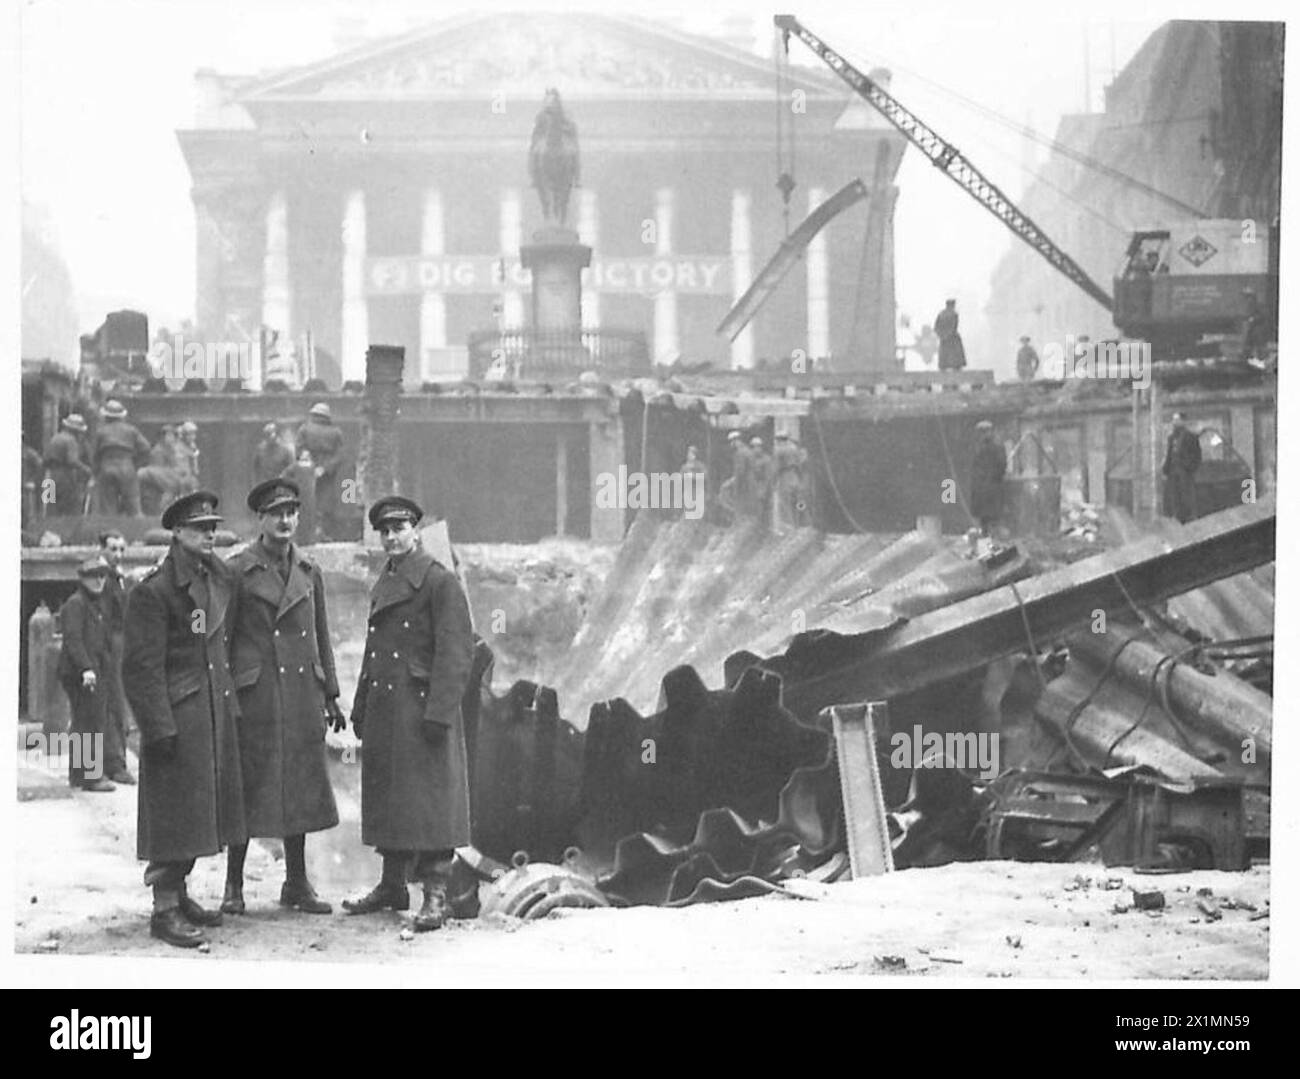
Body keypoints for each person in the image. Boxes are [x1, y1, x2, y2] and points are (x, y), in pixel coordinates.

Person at [343, 495, 475, 932]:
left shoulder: (439, 583)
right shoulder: (387, 580)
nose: (391, 537)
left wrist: (439, 713)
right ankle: (391, 885)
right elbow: (374, 651)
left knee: (430, 804)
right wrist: (361, 705)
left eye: (399, 529)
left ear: (416, 531)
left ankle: (435, 896)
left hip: (421, 713)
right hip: (387, 709)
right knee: (391, 799)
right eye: (384, 531)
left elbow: (456, 655)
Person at [122, 491, 246, 948]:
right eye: (200, 528)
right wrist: (158, 727)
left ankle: (181, 891)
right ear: (176, 533)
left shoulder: (217, 577)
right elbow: (140, 668)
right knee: (174, 814)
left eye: (213, 526)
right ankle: (164, 907)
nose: (210, 534)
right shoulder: (154, 590)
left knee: (200, 813)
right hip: (176, 717)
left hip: (211, 709)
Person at [221, 479, 343, 916]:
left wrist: (330, 692)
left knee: (301, 786)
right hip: (258, 695)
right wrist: (229, 694)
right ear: (261, 519)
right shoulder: (237, 570)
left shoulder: (310, 571)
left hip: (300, 693)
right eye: (277, 513)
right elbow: (223, 637)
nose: (286, 520)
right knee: (249, 785)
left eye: (292, 512)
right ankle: (233, 884)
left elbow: (321, 635)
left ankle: (297, 882)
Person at [57, 559, 117, 792]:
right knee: (90, 723)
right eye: (94, 576)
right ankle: (91, 776)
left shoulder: (96, 603)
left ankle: (79, 774)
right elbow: (73, 640)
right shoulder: (76, 604)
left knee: (86, 722)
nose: (99, 581)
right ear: (82, 578)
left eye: (103, 576)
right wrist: (86, 669)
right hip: (80, 673)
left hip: (93, 670)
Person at [97, 530, 135, 785]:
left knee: (118, 706)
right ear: (101, 549)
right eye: (113, 549)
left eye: (121, 549)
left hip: (119, 644)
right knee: (109, 708)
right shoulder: (100, 577)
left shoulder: (117, 577)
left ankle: (110, 763)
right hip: (106, 646)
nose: (118, 555)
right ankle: (109, 765)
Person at [92, 400, 151, 516]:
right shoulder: (131, 430)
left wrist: (96, 472)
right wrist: (136, 464)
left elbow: (94, 454)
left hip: (106, 467)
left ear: (106, 416)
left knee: (108, 508)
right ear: (122, 416)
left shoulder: (101, 432)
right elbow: (146, 448)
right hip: (127, 466)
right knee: (133, 505)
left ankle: (110, 531)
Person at [296, 403, 345, 540]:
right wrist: (324, 468)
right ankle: (321, 531)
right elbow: (340, 455)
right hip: (327, 473)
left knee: (309, 501)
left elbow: (299, 451)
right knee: (326, 502)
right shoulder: (336, 432)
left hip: (308, 472)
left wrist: (310, 466)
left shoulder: (304, 429)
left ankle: (312, 532)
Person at [43, 414, 93, 516]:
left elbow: (44, 459)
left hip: (50, 477)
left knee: (51, 507)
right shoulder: (71, 441)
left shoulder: (55, 438)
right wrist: (87, 470)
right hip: (65, 478)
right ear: (76, 431)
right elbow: (72, 461)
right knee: (68, 509)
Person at [1162, 412, 1202, 524]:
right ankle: (1176, 516)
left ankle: (1189, 517)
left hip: (1185, 471)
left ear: (1183, 421)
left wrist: (1190, 467)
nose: (1174, 422)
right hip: (1173, 471)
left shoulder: (1191, 436)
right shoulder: (1171, 438)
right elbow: (1169, 454)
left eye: (1177, 420)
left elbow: (1197, 455)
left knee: (1186, 494)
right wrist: (1166, 468)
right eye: (1173, 420)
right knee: (1174, 494)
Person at [969, 420, 1007, 535]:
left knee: (994, 521)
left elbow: (1001, 466)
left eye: (986, 431)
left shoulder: (997, 447)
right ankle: (985, 547)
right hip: (980, 490)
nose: (984, 435)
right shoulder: (977, 447)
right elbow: (974, 467)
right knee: (983, 523)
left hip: (992, 489)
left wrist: (992, 479)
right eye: (981, 432)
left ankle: (996, 546)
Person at [282, 448, 320, 544]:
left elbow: (315, 476)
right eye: (304, 454)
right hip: (300, 494)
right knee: (301, 516)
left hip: (310, 495)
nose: (305, 456)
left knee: (310, 516)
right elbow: (284, 475)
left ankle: (310, 539)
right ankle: (301, 539)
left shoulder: (312, 466)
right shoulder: (295, 466)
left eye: (307, 454)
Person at [771, 433, 804, 531]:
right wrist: (800, 479)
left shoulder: (779, 450)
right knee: (797, 503)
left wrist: (773, 482)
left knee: (786, 503)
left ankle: (790, 527)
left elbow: (776, 468)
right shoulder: (794, 448)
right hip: (795, 476)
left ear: (779, 440)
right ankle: (798, 525)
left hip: (785, 477)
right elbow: (799, 465)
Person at [935, 299, 967, 371]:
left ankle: (943, 367)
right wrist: (949, 335)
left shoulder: (941, 314)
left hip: (943, 338)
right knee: (956, 358)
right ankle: (956, 367)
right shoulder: (954, 314)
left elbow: (936, 327)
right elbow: (954, 327)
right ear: (952, 305)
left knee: (944, 358)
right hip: (952, 338)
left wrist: (942, 335)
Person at [749, 436, 774, 524]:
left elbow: (768, 477)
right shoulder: (751, 459)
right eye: (753, 447)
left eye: (758, 447)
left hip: (763, 487)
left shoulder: (766, 460)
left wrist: (763, 491)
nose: (756, 449)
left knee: (762, 511)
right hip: (753, 487)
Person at [175, 421, 201, 495]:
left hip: (190, 478)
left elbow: (194, 466)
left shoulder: (192, 445)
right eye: (189, 435)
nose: (192, 437)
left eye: (193, 434)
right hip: (181, 479)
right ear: (184, 435)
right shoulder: (178, 446)